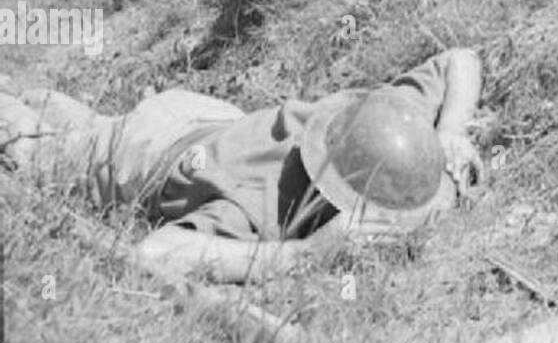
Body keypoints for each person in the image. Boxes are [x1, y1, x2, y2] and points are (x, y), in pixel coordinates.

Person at [0, 49, 483, 287]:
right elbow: (155, 252)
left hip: (201, 116)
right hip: (140, 155)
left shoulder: (374, 117)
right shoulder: (258, 207)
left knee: (73, 119)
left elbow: (460, 59)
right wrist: (303, 253)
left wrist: (449, 133)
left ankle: (46, 99)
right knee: (31, 148)